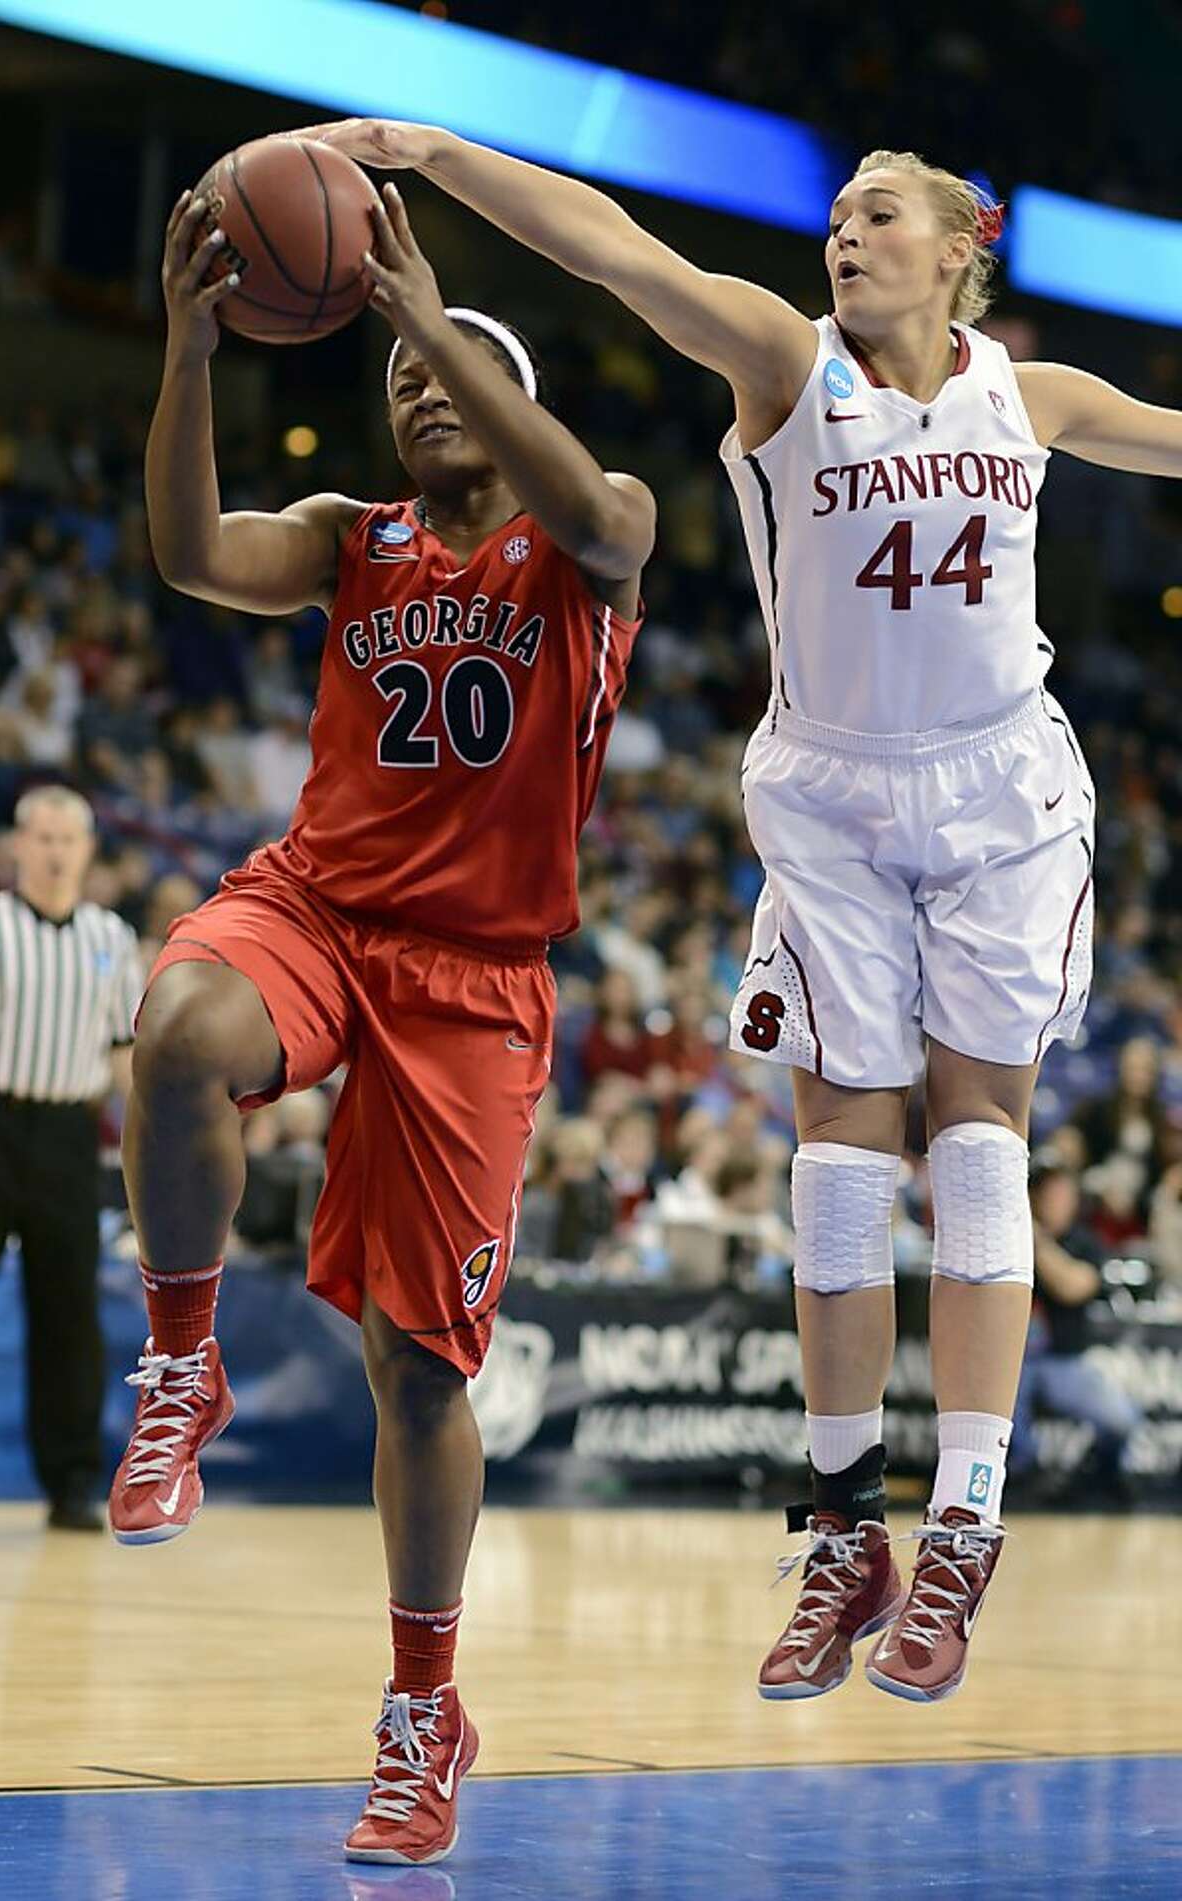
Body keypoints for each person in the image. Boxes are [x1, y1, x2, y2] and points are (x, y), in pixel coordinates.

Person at [299, 117, 1182, 1703]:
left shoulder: (1029, 397)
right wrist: (425, 152)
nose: (847, 233)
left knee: (978, 1149)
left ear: (959, 249)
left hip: (1000, 793)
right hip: (834, 794)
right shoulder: (786, 360)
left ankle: (964, 1527)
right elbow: (614, 248)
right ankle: (848, 1532)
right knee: (840, 1179)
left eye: (880, 212)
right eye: (839, 214)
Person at [106, 182, 653, 1869]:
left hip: (476, 982)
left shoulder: (587, 532)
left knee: (419, 1370)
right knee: (181, 1023)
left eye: (450, 370)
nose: (414, 391)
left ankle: (426, 1711)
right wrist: (193, 349)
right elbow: (194, 553)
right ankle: (181, 1356)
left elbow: (595, 503)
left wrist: (429, 319)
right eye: (399, 374)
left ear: (505, 392)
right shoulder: (359, 537)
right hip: (326, 911)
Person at [0, 785, 141, 1531]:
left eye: (65, 839)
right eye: (39, 837)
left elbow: (123, 1060)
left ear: (86, 849)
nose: (51, 851)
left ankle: (72, 1480)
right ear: (17, 845)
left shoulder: (110, 939)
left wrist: (151, 1150)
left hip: (68, 1139)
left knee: (68, 1313)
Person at [1009, 1155, 1141, 1503]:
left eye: (1064, 1193)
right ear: (1033, 1195)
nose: (1058, 1200)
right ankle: (1021, 1479)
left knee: (1121, 1419)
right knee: (1001, 1405)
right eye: (1050, 1192)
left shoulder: (1084, 1242)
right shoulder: (1006, 1237)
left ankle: (1101, 1473)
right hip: (1014, 1359)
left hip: (1064, 1361)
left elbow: (1074, 1285)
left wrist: (1036, 1241)